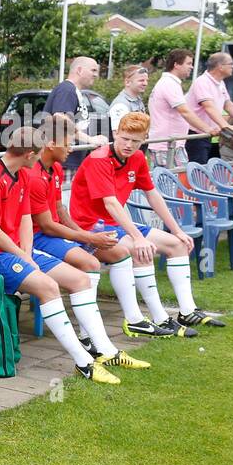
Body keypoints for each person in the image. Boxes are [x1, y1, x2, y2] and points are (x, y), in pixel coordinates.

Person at [0, 128, 125, 384]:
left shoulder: (22, 174)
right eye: (37, 156)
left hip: (14, 250)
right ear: (29, 154)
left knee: (80, 279)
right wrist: (23, 257)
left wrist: (27, 253)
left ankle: (102, 349)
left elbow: (26, 218)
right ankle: (84, 362)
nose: (38, 161)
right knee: (48, 287)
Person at [69, 111, 226, 336]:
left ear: (144, 140)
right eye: (124, 138)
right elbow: (111, 203)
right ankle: (160, 319)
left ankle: (187, 311)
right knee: (140, 250)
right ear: (115, 133)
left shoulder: (138, 158)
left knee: (177, 244)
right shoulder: (99, 158)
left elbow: (153, 195)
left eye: (136, 141)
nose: (129, 145)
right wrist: (138, 237)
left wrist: (178, 230)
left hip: (118, 223)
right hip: (92, 226)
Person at [27, 115, 150, 367]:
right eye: (68, 142)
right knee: (89, 264)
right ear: (51, 143)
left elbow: (60, 210)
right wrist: (87, 237)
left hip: (50, 234)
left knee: (102, 257)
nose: (72, 148)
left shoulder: (57, 169)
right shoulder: (34, 174)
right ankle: (93, 342)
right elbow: (47, 225)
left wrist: (84, 237)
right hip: (35, 239)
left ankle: (95, 338)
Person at [148, 49, 219, 167]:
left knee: (178, 181)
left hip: (171, 144)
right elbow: (185, 111)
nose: (191, 67)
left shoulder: (170, 83)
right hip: (167, 145)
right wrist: (207, 129)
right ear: (176, 64)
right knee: (174, 182)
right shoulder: (169, 84)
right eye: (189, 63)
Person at [185, 52, 233, 162]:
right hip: (195, 135)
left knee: (208, 171)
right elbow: (208, 107)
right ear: (220, 66)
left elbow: (229, 105)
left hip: (208, 134)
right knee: (198, 173)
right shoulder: (202, 82)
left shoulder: (219, 83)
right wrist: (226, 126)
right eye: (230, 64)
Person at [42, 57, 108, 147]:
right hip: (66, 158)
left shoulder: (72, 91)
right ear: (79, 70)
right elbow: (60, 121)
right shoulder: (67, 90)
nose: (96, 75)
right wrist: (90, 139)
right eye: (93, 70)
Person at [107, 65, 150, 133]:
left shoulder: (137, 100)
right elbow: (118, 134)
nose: (145, 83)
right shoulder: (120, 104)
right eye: (141, 80)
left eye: (146, 80)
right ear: (127, 82)